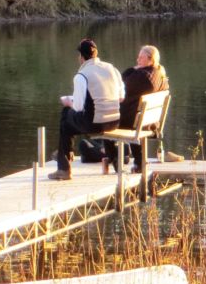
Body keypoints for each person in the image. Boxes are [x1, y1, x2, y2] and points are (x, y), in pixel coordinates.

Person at [49, 38, 122, 181]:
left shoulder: (81, 75)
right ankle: (116, 162)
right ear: (96, 54)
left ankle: (64, 167)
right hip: (114, 121)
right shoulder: (112, 68)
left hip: (95, 123)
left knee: (66, 116)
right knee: (99, 114)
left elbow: (78, 106)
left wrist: (68, 102)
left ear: (81, 58)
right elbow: (121, 96)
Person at [112, 44, 170, 173]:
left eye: (141, 58)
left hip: (135, 123)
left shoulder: (143, 76)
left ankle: (115, 159)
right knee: (133, 119)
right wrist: (135, 69)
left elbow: (120, 83)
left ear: (151, 60)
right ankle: (138, 162)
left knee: (104, 123)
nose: (137, 60)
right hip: (151, 122)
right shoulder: (161, 75)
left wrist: (132, 69)